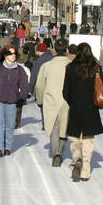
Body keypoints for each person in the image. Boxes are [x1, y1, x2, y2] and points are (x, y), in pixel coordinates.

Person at [62, 42, 103, 182]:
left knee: (74, 137)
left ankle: (77, 158)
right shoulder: (96, 68)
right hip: (91, 108)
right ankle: (85, 169)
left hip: (75, 107)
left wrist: (72, 102)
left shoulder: (70, 68)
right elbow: (102, 87)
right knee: (88, 138)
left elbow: (65, 91)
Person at [0, 45, 29, 157]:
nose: (13, 56)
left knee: (9, 125)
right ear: (5, 55)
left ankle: (7, 146)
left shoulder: (19, 70)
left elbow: (25, 85)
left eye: (14, 53)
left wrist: (21, 98)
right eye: (10, 53)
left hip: (12, 101)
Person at [34, 38, 74, 166]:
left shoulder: (47, 66)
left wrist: (39, 100)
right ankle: (60, 153)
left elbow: (39, 86)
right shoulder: (71, 65)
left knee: (53, 127)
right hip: (67, 101)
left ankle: (55, 152)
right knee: (64, 128)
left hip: (51, 100)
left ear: (55, 50)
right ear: (67, 50)